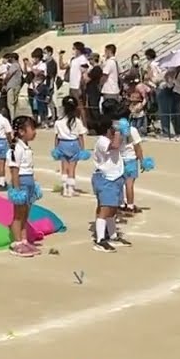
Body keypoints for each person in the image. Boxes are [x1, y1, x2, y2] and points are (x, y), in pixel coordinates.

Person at [5, 115, 41, 257]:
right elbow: (15, 171)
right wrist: (17, 189)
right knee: (18, 215)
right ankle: (17, 243)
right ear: (21, 131)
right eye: (32, 128)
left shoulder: (26, 148)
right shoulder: (16, 149)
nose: (34, 132)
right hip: (21, 183)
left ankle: (25, 240)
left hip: (29, 182)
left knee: (25, 215)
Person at [90, 115, 125, 253]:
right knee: (105, 209)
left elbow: (119, 143)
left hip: (114, 177)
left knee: (112, 209)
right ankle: (100, 240)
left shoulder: (107, 139)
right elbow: (115, 145)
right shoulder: (102, 141)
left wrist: (121, 131)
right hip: (105, 178)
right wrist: (118, 131)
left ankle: (113, 235)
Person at [114, 103, 144, 219]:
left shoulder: (116, 131)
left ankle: (121, 204)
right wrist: (142, 160)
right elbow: (137, 147)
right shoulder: (132, 130)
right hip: (131, 159)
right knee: (129, 184)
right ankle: (130, 206)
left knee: (120, 184)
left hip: (119, 160)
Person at [54, 96, 87, 198]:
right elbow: (81, 136)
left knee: (64, 167)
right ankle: (71, 190)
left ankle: (64, 188)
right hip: (74, 144)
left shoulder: (58, 122)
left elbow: (56, 137)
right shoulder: (77, 121)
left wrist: (56, 148)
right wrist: (82, 149)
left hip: (62, 144)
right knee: (72, 168)